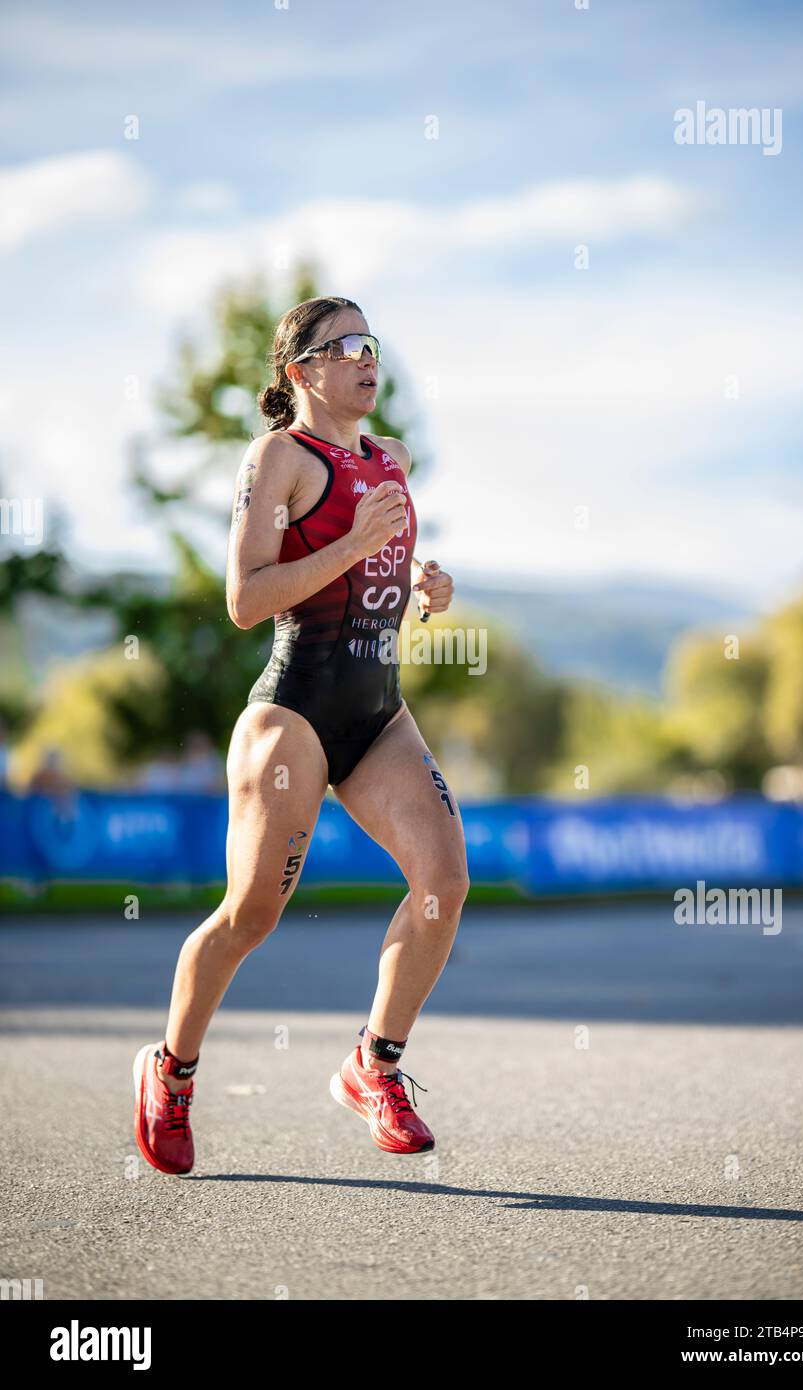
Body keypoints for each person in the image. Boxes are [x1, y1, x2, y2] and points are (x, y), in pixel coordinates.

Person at [133, 296, 469, 1174]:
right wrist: (355, 545)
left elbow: (384, 571)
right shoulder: (277, 457)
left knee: (443, 880)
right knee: (251, 915)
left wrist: (424, 585)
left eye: (373, 344)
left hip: (379, 712)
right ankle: (171, 1072)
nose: (368, 359)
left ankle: (375, 1064)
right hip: (294, 710)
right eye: (346, 346)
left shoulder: (392, 458)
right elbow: (246, 600)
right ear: (301, 371)